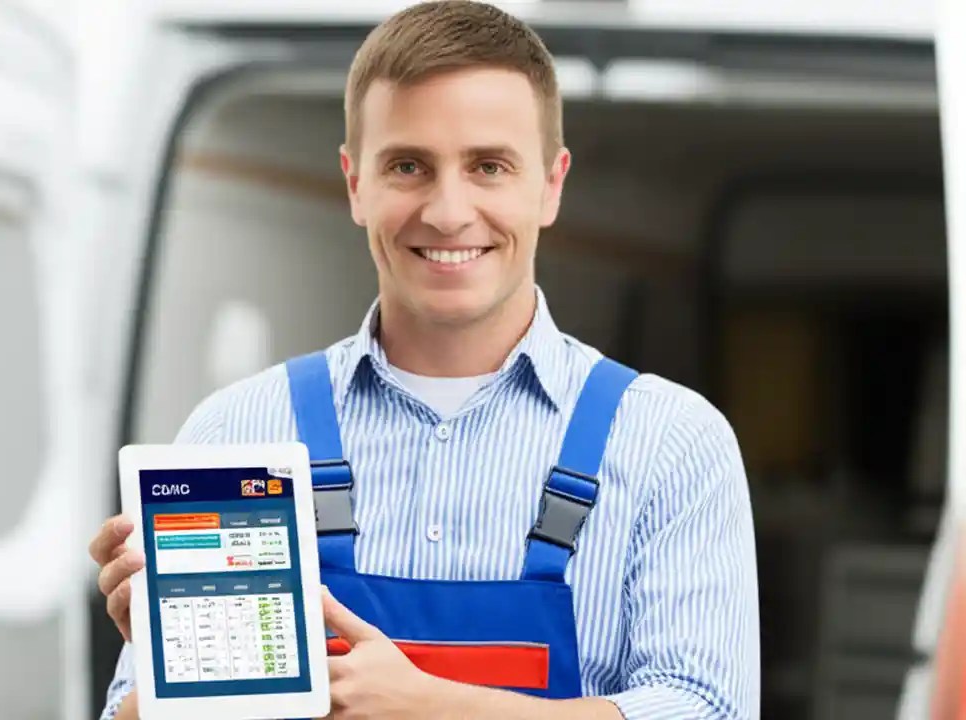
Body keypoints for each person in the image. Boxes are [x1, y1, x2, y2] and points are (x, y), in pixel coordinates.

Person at [89, 1, 759, 717]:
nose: (447, 211)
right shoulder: (236, 432)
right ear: (355, 183)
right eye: (408, 166)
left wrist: (434, 707)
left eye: (488, 166)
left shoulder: (671, 444)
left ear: (551, 184)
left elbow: (707, 709)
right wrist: (178, 685)